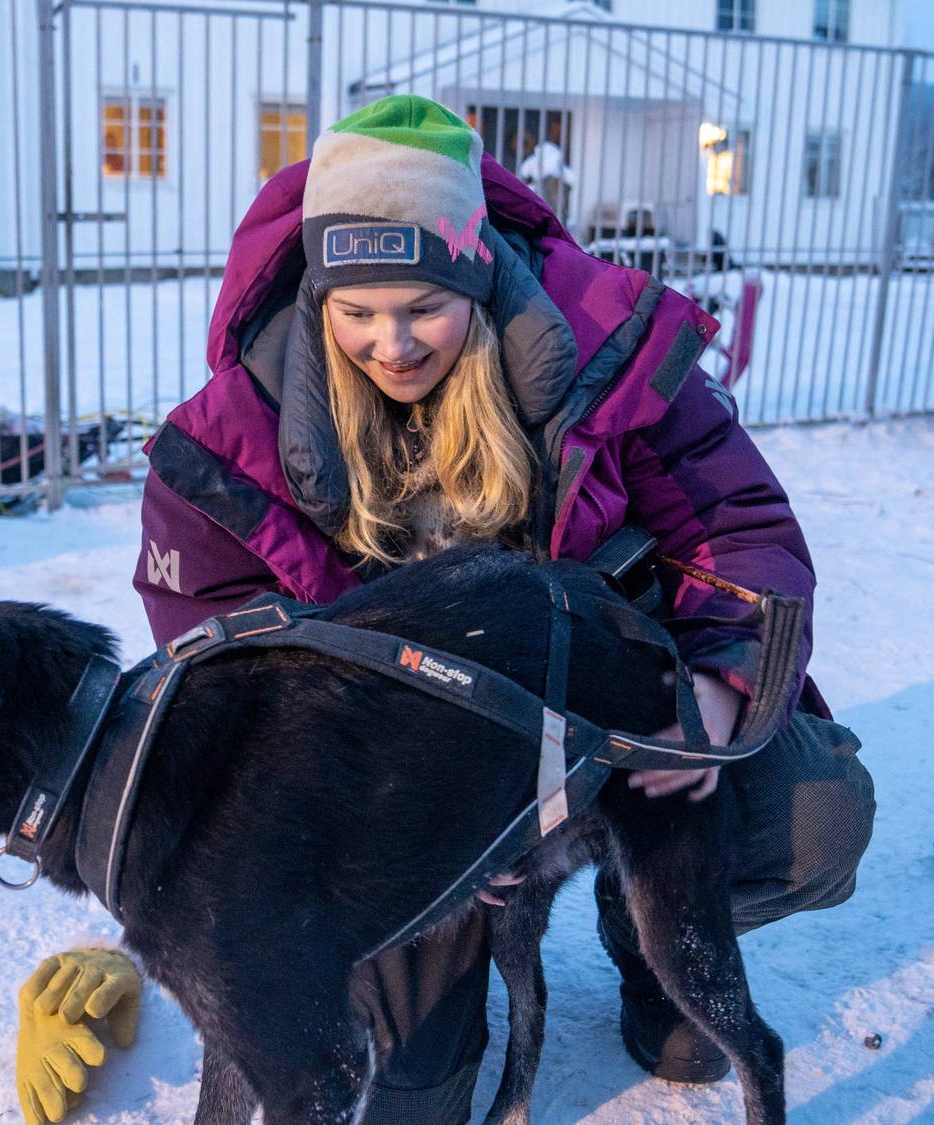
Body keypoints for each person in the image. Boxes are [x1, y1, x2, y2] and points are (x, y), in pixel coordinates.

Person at [63, 93, 873, 1124]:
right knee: (414, 1101)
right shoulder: (229, 443)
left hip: (596, 726)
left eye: (423, 309)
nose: (391, 345)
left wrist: (715, 691)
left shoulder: (602, 355)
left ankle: (645, 933)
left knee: (815, 813)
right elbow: (227, 672)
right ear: (317, 295)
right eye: (355, 313)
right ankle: (430, 999)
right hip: (397, 787)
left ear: (479, 274)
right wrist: (418, 818)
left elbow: (734, 525)